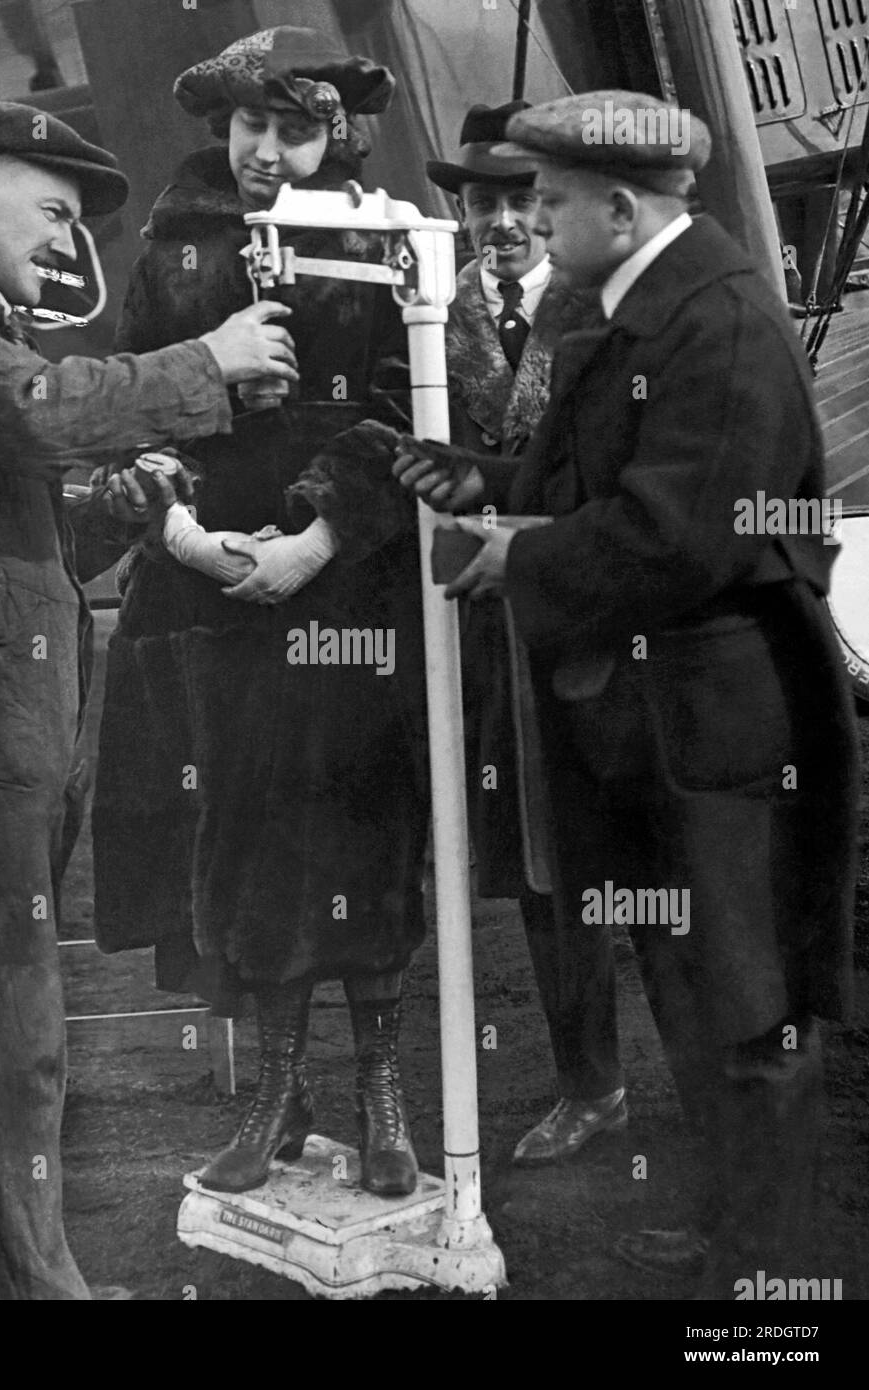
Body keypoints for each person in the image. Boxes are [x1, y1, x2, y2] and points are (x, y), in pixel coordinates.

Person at [0, 98, 299, 1299]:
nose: (63, 243)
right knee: (6, 1030)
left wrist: (113, 509)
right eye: (51, 211)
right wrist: (208, 364)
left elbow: (5, 548)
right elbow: (39, 413)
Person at [405, 90, 857, 1296]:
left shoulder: (714, 322)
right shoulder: (643, 305)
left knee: (749, 1002)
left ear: (620, 204)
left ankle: (770, 1277)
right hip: (663, 708)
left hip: (718, 710)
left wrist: (520, 557)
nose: (533, 220)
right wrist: (484, 477)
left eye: (548, 200)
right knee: (686, 976)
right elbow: (605, 479)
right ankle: (725, 1231)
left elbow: (681, 533)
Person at [92, 27, 427, 1198]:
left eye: (293, 129)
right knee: (249, 837)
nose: (266, 151)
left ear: (334, 133)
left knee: (366, 826)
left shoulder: (381, 239)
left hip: (351, 581)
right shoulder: (176, 246)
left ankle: (384, 1093)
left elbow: (410, 403)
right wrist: (183, 530)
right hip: (216, 582)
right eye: (248, 127)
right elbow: (131, 395)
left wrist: (324, 532)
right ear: (221, 127)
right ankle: (279, 1097)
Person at [422, 101, 626, 1166]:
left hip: (596, 625)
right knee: (533, 866)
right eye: (481, 201)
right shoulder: (427, 323)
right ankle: (585, 1081)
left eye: (520, 200)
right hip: (483, 638)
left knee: (630, 851)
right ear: (456, 210)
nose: (502, 222)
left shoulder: (603, 314)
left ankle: (686, 1082)